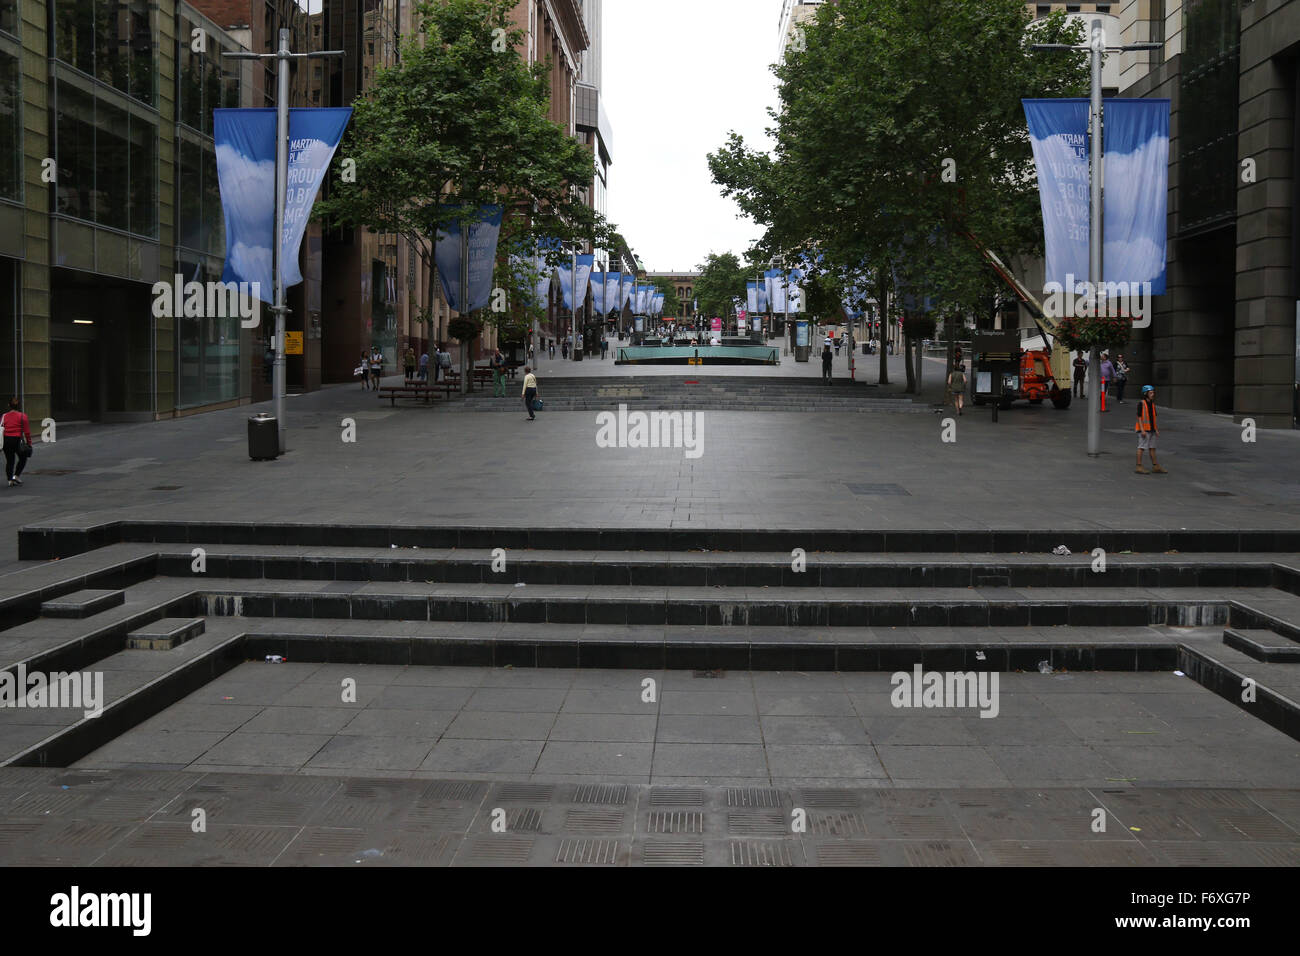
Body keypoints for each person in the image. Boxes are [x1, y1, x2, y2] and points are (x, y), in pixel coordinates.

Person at [1135, 385, 1166, 474]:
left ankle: (1156, 466)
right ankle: (1139, 466)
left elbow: (1153, 417)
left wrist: (1156, 429)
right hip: (1144, 430)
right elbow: (1139, 417)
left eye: (1153, 392)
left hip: (1151, 429)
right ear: (1146, 394)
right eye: (1151, 393)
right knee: (1141, 447)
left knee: (1152, 448)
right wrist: (1142, 430)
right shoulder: (1142, 403)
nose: (1153, 394)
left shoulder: (1152, 404)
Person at [3, 398, 32, 487]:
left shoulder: (4, 416)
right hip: (17, 440)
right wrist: (29, 443)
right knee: (23, 458)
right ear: (19, 406)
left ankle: (9, 480)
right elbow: (27, 432)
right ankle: (16, 476)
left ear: (9, 405)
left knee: (10, 460)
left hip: (6, 440)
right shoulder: (23, 416)